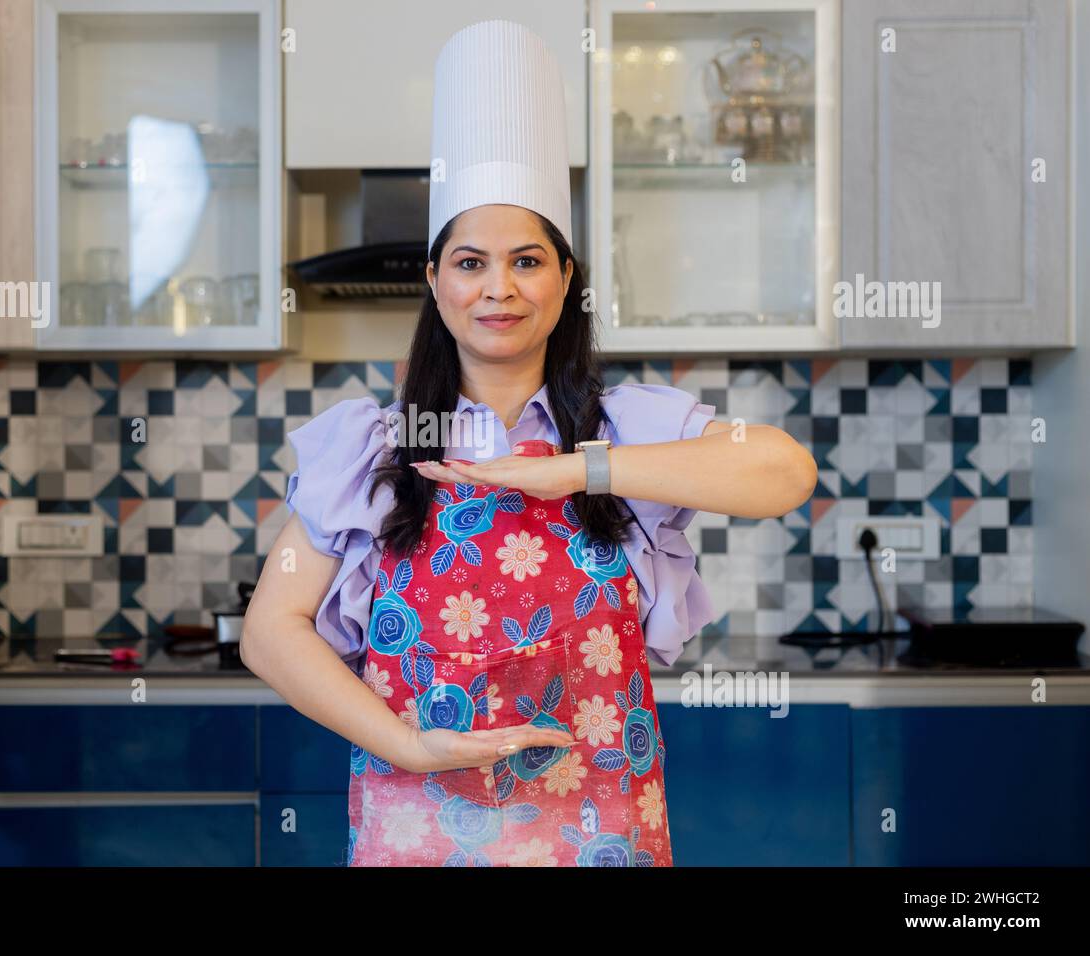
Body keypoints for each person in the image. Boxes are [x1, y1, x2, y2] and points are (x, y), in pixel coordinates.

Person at [241, 20, 817, 867]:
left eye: (528, 260)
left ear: (564, 278)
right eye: (470, 263)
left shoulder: (625, 428)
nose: (498, 289)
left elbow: (786, 470)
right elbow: (271, 630)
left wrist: (576, 468)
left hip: (600, 831)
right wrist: (407, 746)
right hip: (418, 825)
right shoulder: (377, 447)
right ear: (435, 282)